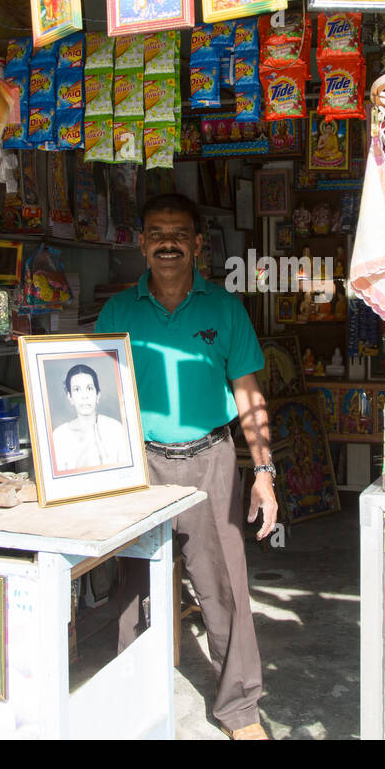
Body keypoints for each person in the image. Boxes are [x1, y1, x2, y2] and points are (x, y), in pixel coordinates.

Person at [98, 193, 278, 740]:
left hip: (212, 462)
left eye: (179, 234)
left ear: (199, 245)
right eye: (157, 233)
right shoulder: (117, 312)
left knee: (223, 589)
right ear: (142, 243)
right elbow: (100, 391)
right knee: (135, 587)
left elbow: (248, 395)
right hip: (140, 465)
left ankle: (240, 711)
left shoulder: (224, 309)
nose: (168, 242)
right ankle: (136, 695)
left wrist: (264, 473)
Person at [50, 363, 130, 472]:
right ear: (70, 397)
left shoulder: (116, 429)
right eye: (77, 390)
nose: (84, 396)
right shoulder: (59, 436)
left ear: (98, 395)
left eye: (89, 388)